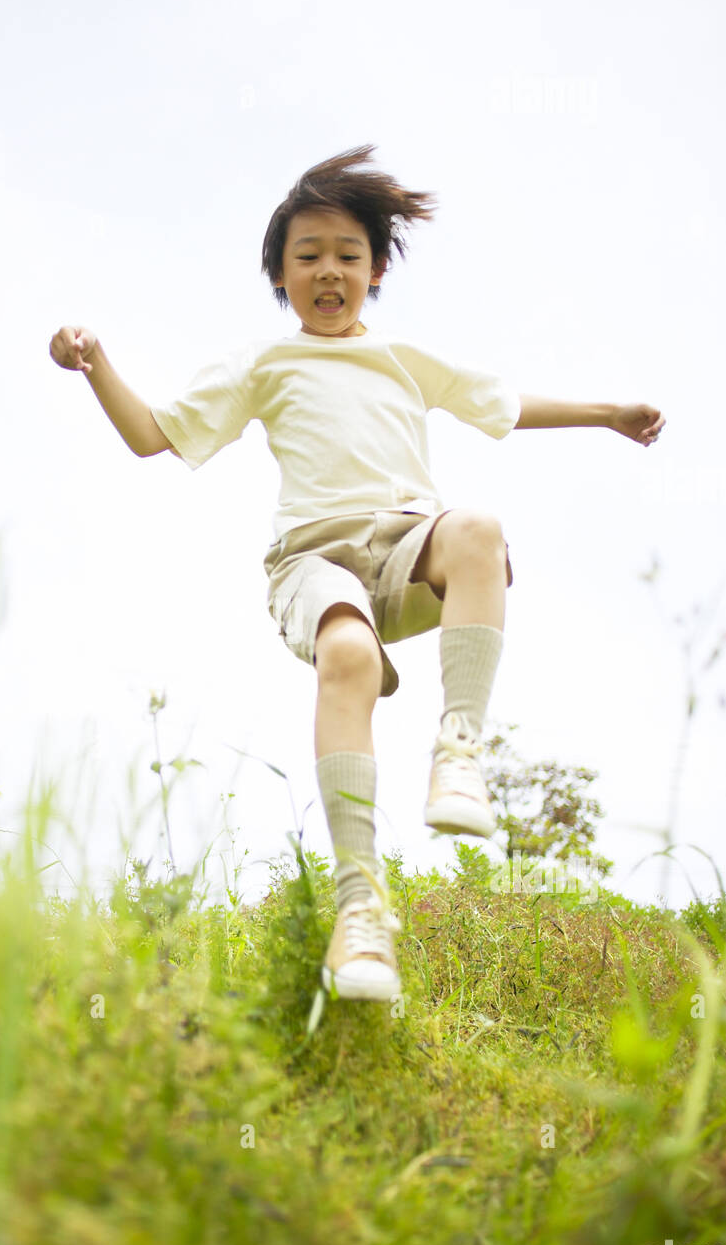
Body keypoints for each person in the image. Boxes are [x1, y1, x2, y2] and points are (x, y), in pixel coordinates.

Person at [49, 144, 664, 1004]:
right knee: (345, 657)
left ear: (376, 270)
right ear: (279, 276)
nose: (327, 272)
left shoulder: (406, 357)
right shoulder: (265, 364)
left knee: (479, 527)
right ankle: (359, 907)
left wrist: (606, 415)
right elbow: (154, 434)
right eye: (307, 258)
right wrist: (94, 361)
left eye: (346, 255)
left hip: (408, 548)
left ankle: (458, 749)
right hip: (313, 561)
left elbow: (503, 404)